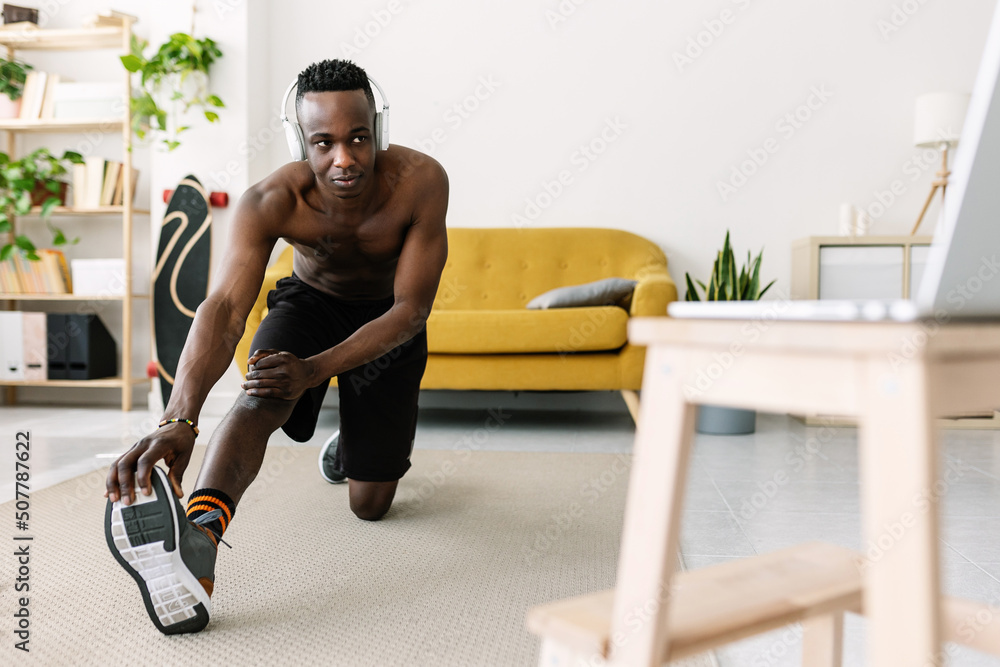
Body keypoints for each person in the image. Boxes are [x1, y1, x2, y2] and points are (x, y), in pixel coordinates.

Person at [103, 59, 449, 635]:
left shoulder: (421, 181)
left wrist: (315, 370)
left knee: (371, 505)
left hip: (387, 319)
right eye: (324, 142)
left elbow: (411, 311)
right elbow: (224, 309)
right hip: (309, 304)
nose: (344, 158)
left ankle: (347, 450)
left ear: (377, 131)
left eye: (359, 138)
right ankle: (199, 541)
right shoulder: (269, 201)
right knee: (259, 393)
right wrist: (178, 418)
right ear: (300, 143)